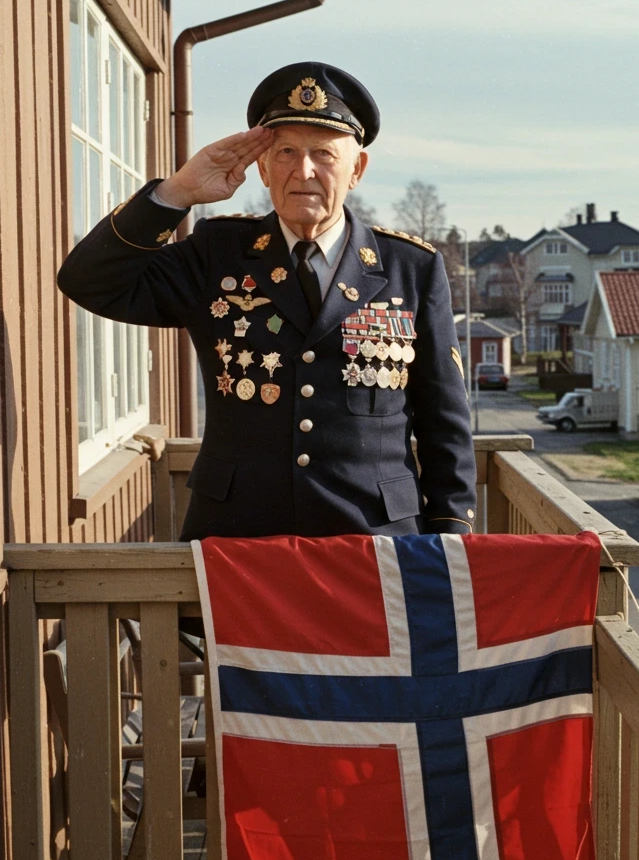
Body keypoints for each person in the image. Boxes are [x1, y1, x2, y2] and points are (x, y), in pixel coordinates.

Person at [57, 61, 476, 541]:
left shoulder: (411, 268)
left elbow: (445, 422)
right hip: (238, 539)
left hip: (376, 540)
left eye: (323, 153)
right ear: (261, 166)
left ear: (356, 168)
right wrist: (176, 194)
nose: (304, 171)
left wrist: (449, 537)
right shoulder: (218, 254)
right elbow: (88, 281)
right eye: (285, 152)